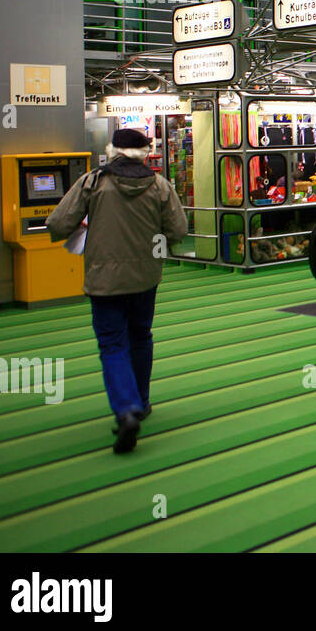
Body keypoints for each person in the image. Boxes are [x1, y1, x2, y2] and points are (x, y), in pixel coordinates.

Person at [47, 128, 187, 454]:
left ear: (113, 151)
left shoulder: (92, 183)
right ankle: (142, 400)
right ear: (146, 153)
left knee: (113, 345)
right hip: (145, 277)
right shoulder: (160, 186)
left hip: (104, 281)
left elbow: (58, 223)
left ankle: (126, 409)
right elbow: (178, 230)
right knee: (141, 335)